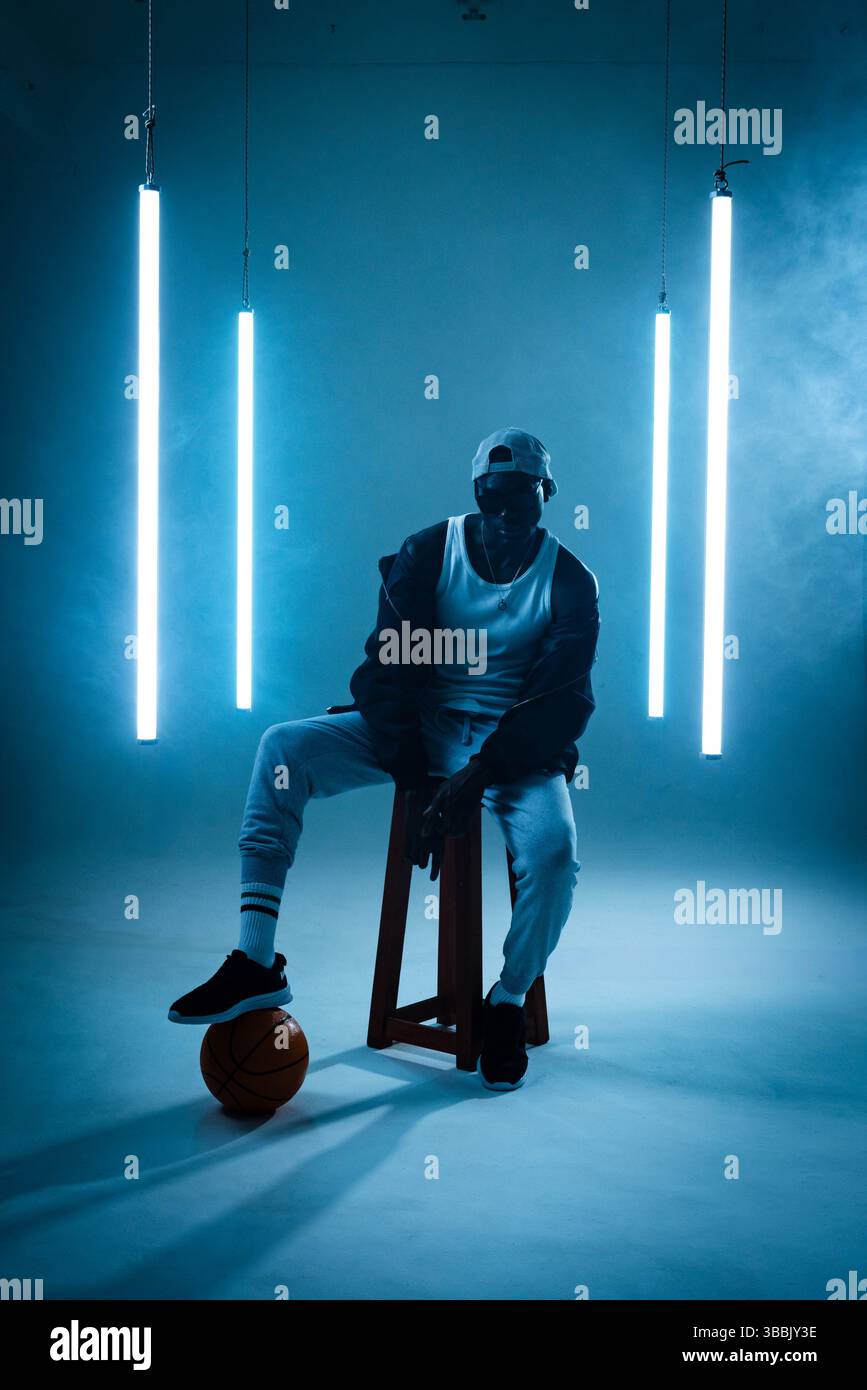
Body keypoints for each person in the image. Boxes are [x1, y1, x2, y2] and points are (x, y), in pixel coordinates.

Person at [168, 428, 600, 1090]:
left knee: (554, 857)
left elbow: (558, 702)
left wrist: (474, 777)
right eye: (495, 494)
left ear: (547, 495)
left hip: (509, 746)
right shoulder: (428, 551)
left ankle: (507, 1000)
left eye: (524, 496)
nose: (509, 510)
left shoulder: (569, 580)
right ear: (476, 493)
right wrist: (416, 783)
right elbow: (387, 674)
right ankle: (256, 962)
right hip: (419, 729)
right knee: (283, 746)